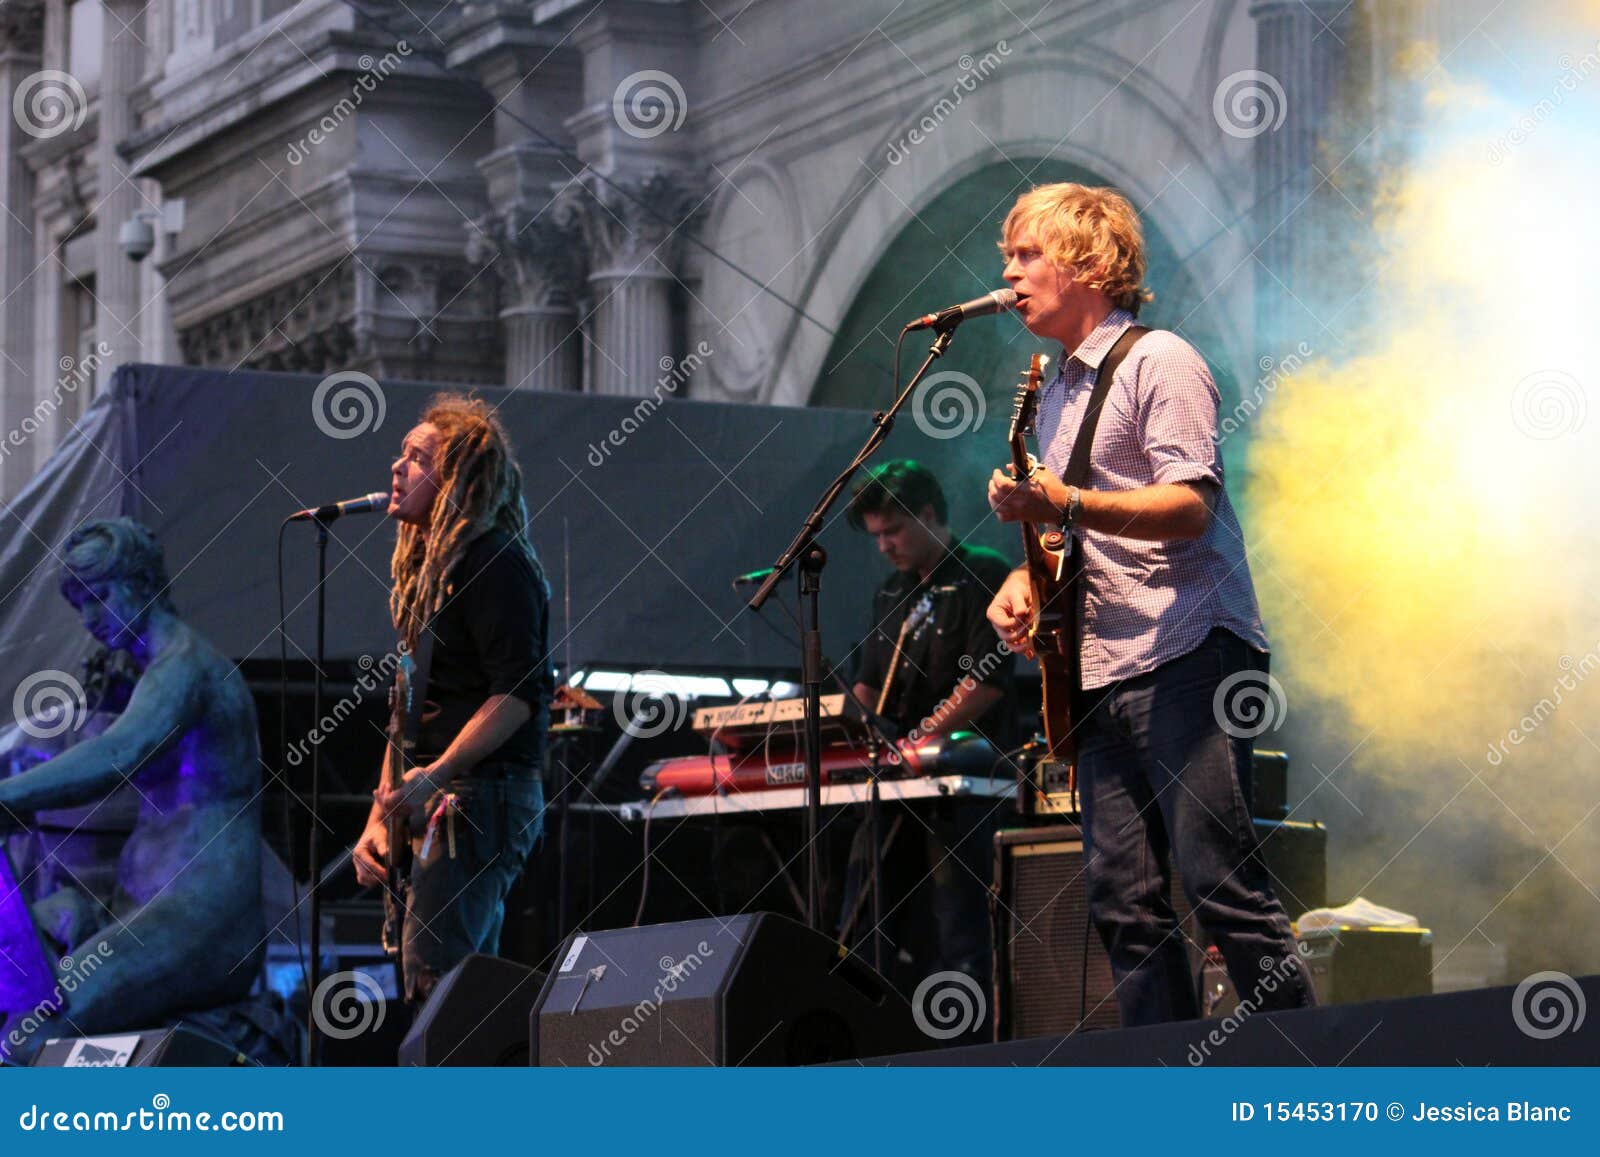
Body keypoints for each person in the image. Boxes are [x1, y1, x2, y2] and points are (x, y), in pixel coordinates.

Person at [985, 182, 1315, 1026]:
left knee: (1217, 879)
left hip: (1185, 648)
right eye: (1008, 259)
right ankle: (1170, 1102)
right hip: (1099, 668)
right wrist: (1028, 578)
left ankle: (1317, 1078)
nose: (1011, 275)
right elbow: (1072, 528)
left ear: (1089, 260)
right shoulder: (1055, 391)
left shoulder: (1160, 359)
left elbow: (1190, 504)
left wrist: (1058, 505)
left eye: (1027, 255)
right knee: (1121, 902)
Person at [0, 519, 264, 1063]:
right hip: (142, 909)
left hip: (200, 916)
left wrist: (9, 793)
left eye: (99, 597)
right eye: (80, 606)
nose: (90, 619)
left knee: (32, 1031)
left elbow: (117, 755)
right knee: (16, 969)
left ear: (142, 583)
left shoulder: (185, 667)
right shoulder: (150, 675)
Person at [354, 394, 551, 1004]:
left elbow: (519, 694)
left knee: (437, 982)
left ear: (457, 477)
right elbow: (407, 711)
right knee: (444, 985)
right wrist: (376, 819)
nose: (396, 467)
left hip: (478, 796)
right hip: (439, 796)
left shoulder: (493, 562)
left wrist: (434, 777)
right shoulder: (430, 574)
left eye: (415, 458)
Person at [844, 459, 1014, 994]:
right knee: (865, 914)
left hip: (963, 785)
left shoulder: (982, 572)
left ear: (927, 514)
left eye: (892, 531)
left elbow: (987, 682)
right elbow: (868, 685)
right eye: (875, 536)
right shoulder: (890, 594)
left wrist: (921, 739)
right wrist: (840, 729)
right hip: (897, 781)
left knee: (958, 920)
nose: (884, 546)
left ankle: (968, 1043)